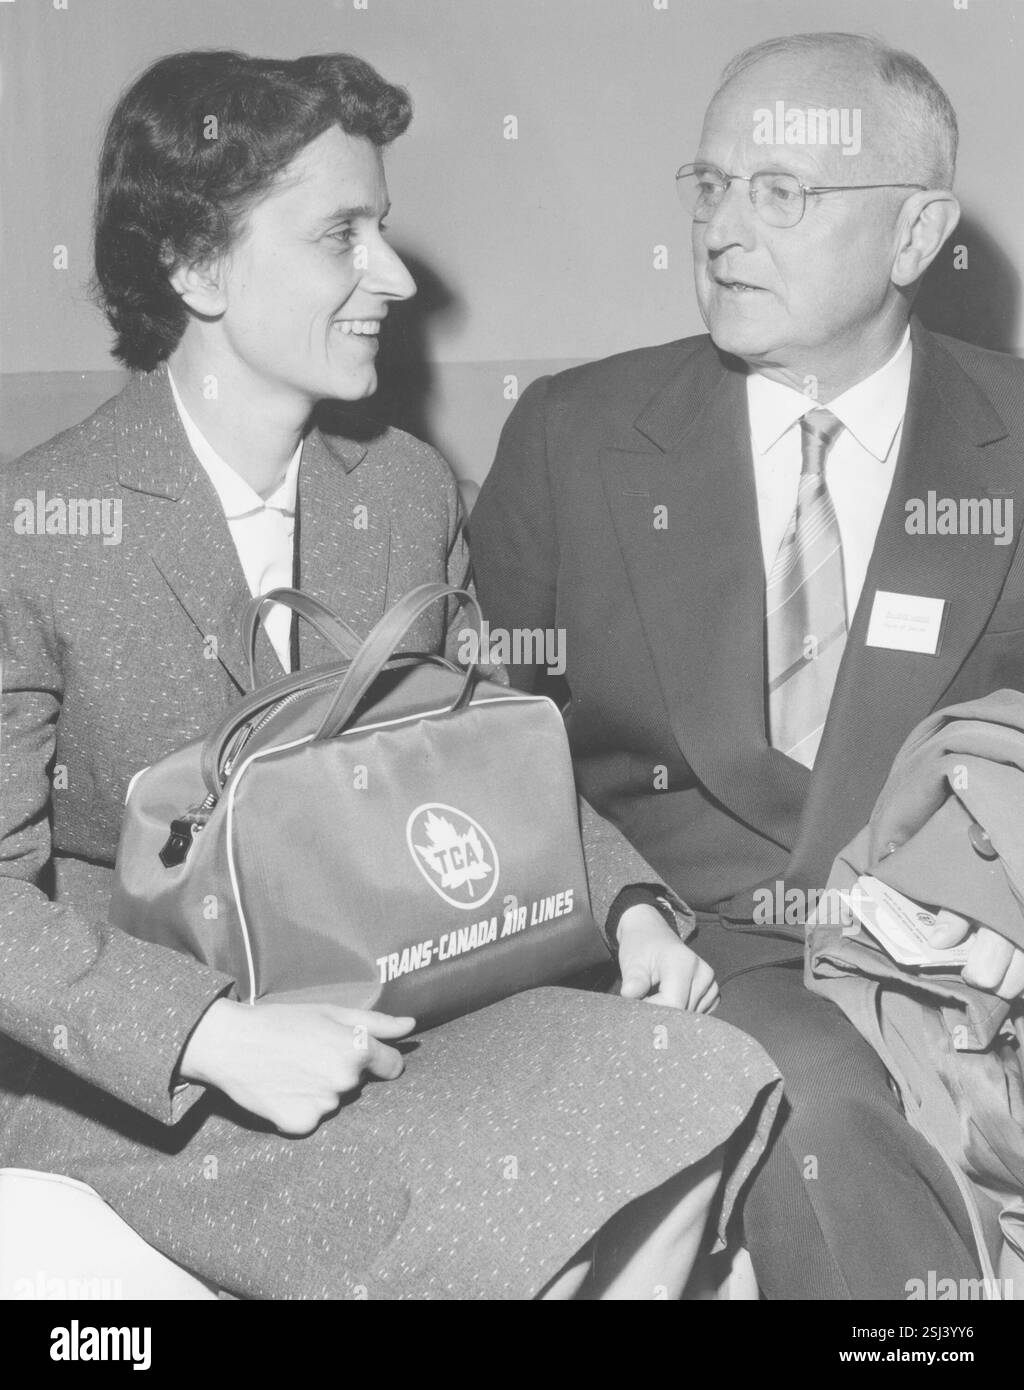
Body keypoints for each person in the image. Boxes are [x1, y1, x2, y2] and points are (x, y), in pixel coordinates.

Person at [0, 49, 781, 1301]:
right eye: (340, 237)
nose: (396, 278)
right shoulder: (37, 524)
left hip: (391, 1011)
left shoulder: (402, 487)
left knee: (708, 1076)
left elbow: (493, 753)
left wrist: (629, 900)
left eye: (386, 230)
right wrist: (209, 1035)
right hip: (148, 1081)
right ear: (196, 267)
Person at [470, 30, 1024, 1300]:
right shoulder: (578, 436)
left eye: (783, 193)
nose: (722, 230)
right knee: (816, 1115)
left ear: (915, 233)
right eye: (709, 186)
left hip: (969, 950)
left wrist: (985, 899)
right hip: (703, 956)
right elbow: (482, 744)